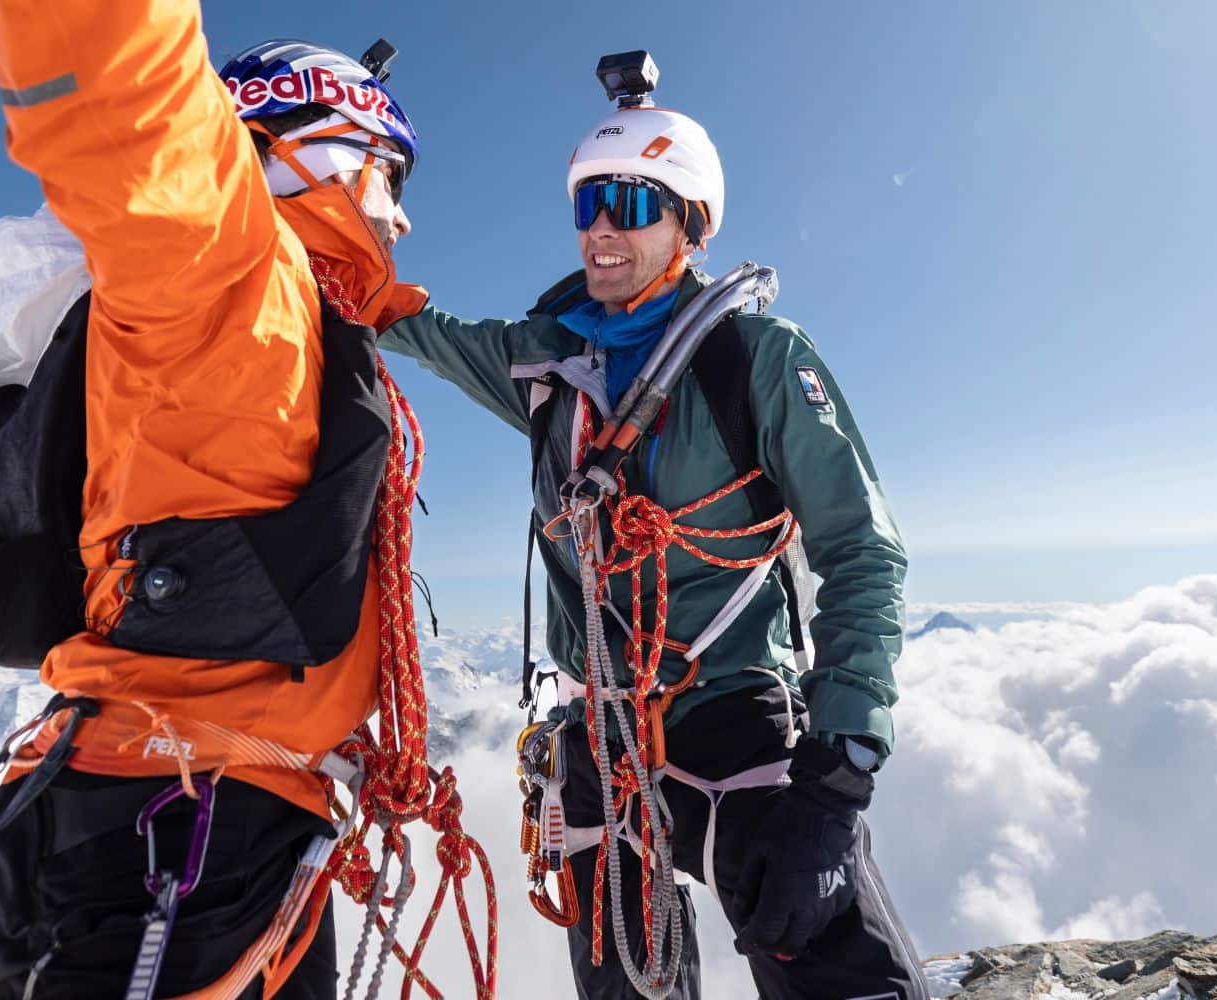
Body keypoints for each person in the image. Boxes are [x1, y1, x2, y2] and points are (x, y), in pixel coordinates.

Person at [379, 69, 926, 1000]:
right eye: (587, 203)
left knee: (846, 975)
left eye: (631, 203)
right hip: (597, 728)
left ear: (691, 225)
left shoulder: (755, 359)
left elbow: (861, 550)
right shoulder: (544, 363)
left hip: (734, 710)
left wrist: (838, 777)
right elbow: (413, 325)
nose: (600, 227)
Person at [0, 2, 443, 996]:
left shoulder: (294, 309)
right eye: (388, 174)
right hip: (168, 837)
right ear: (306, 152)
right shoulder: (221, 265)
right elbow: (123, 93)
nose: (402, 217)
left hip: (225, 819)